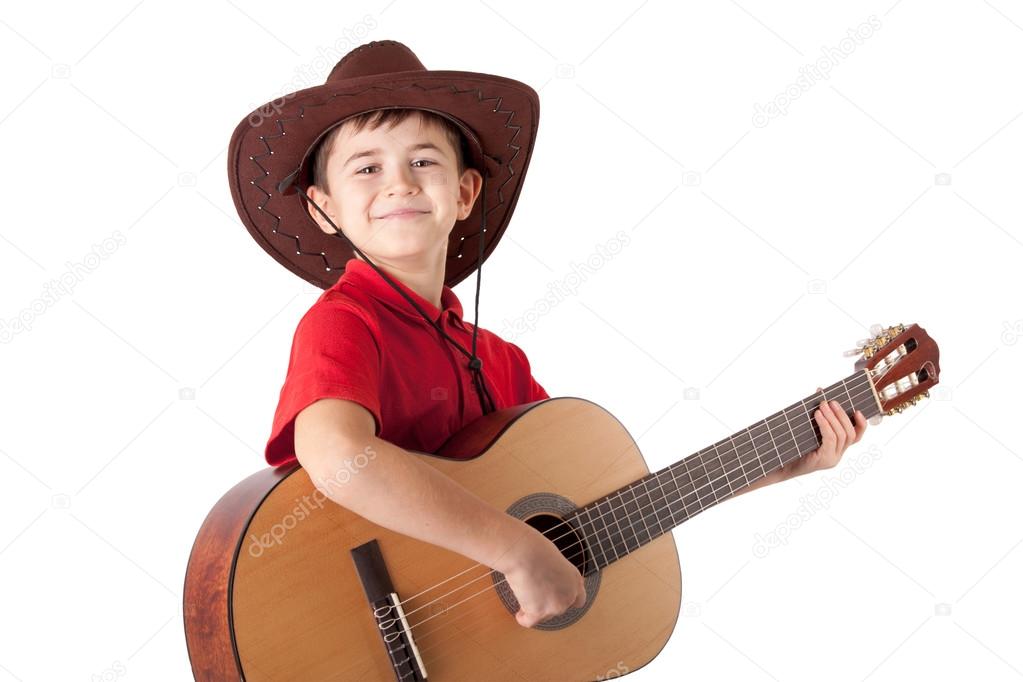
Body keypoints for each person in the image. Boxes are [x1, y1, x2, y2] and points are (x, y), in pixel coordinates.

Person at [226, 40, 868, 630]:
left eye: (424, 160)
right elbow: (339, 458)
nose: (400, 181)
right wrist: (515, 549)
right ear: (323, 207)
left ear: (466, 191)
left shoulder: (499, 362)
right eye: (366, 168)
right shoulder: (346, 321)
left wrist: (775, 466)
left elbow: (596, 507)